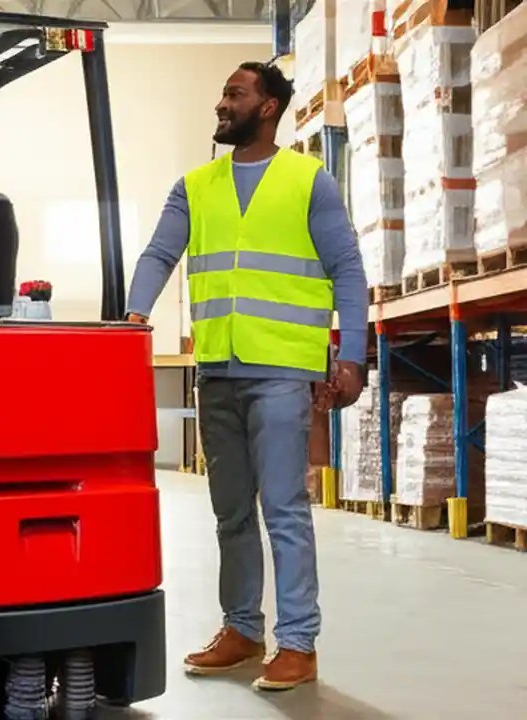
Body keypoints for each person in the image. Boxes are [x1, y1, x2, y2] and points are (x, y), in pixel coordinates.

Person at [124, 62, 368, 691]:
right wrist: (132, 318)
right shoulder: (195, 185)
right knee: (230, 513)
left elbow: (347, 269)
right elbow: (159, 253)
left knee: (284, 509)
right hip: (218, 370)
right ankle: (241, 630)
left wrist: (353, 358)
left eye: (234, 93)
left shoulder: (307, 181)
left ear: (268, 107)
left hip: (283, 372)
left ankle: (298, 643)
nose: (220, 104)